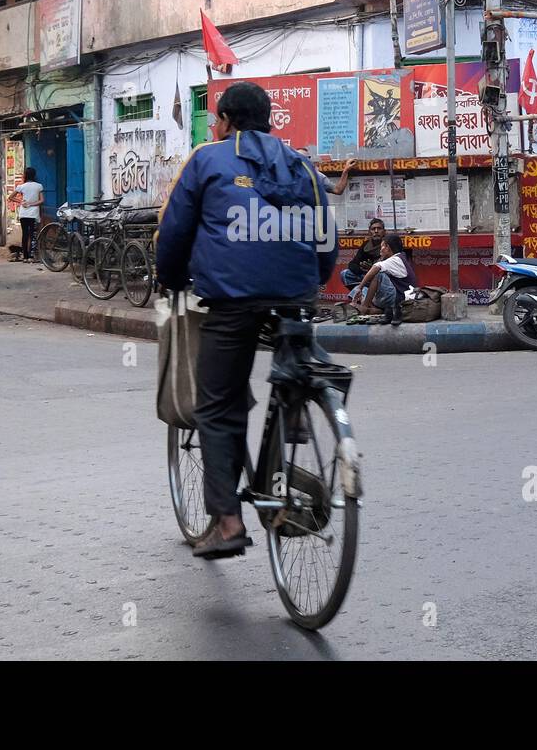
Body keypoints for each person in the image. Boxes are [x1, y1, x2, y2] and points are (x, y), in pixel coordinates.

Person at [156, 81, 336, 559]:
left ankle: (229, 523)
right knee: (292, 347)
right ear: (268, 119)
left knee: (217, 405)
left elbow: (174, 232)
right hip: (297, 297)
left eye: (217, 120)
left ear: (228, 121)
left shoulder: (207, 159)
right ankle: (294, 404)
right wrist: (311, 285)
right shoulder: (302, 164)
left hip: (231, 300)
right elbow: (326, 240)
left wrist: (170, 278)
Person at [351, 233, 413, 325]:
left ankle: (365, 307)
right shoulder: (399, 257)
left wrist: (360, 287)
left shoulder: (396, 259)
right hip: (397, 296)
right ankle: (378, 310)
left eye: (382, 247)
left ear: (387, 247)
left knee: (378, 275)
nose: (380, 250)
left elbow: (376, 267)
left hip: (402, 298)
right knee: (365, 289)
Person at [339, 218, 385, 293]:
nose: (376, 231)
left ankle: (362, 295)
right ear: (369, 232)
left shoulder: (387, 245)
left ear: (384, 231)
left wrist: (371, 269)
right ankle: (360, 294)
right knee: (345, 274)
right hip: (364, 276)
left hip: (380, 278)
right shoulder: (366, 245)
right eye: (373, 229)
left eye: (379, 229)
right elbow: (353, 263)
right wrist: (362, 269)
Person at [14, 166, 45, 262]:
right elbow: (42, 200)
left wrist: (21, 201)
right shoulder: (39, 186)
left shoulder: (21, 186)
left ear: (25, 175)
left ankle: (25, 257)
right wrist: (32, 204)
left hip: (23, 214)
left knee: (25, 235)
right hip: (33, 214)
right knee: (32, 235)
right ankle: (31, 257)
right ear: (34, 175)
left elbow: (10, 197)